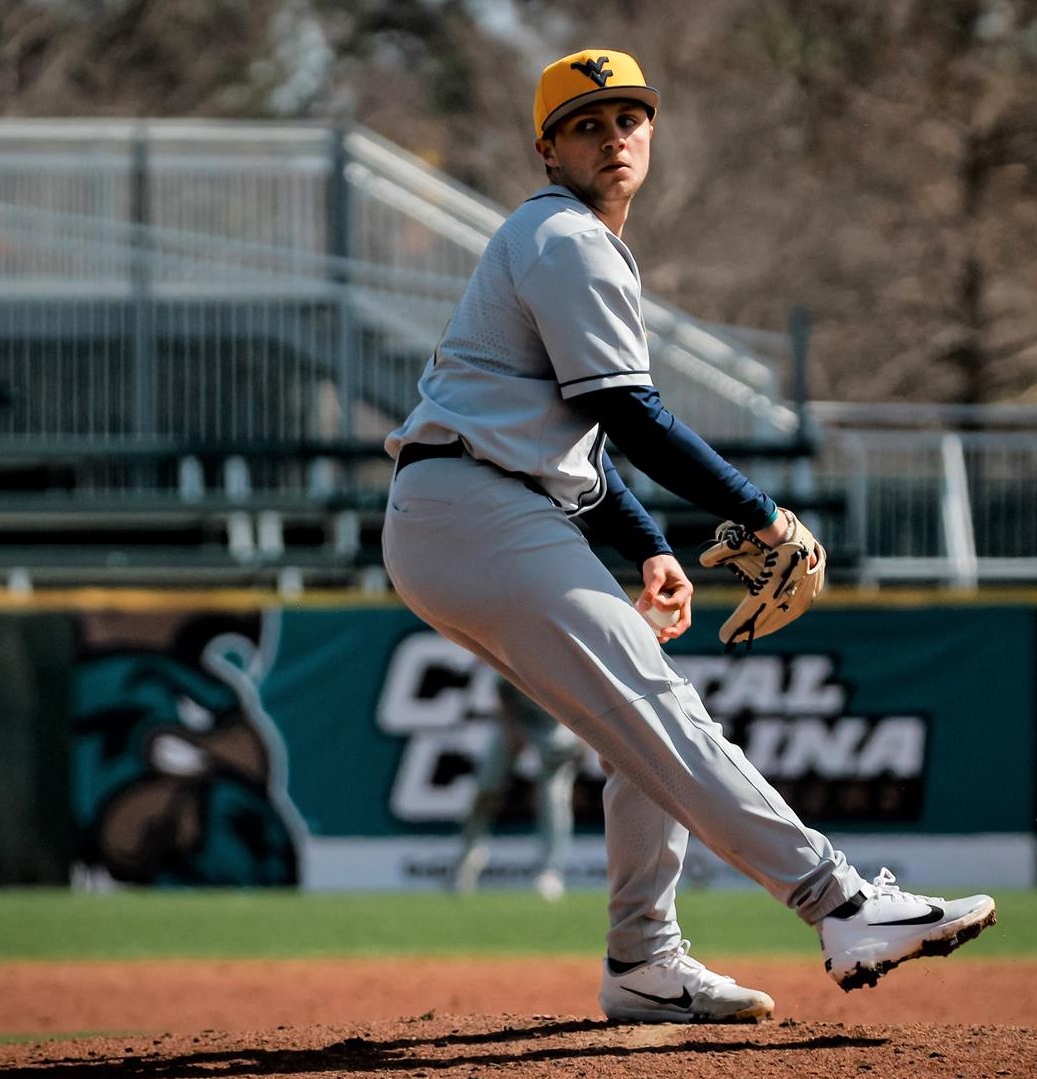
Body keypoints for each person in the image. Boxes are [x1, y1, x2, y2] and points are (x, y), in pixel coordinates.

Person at [382, 48, 996, 1024]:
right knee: (661, 710)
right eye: (587, 124)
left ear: (652, 134)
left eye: (628, 118)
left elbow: (581, 440)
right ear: (547, 147)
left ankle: (644, 959)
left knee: (642, 731)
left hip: (471, 509)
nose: (613, 137)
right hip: (476, 506)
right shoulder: (564, 238)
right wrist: (761, 514)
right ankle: (841, 903)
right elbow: (630, 412)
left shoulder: (562, 240)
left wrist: (652, 547)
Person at [450, 678, 587, 902]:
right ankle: (467, 860)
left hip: (555, 724)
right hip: (517, 717)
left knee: (554, 799)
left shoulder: (571, 653)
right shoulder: (524, 645)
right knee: (486, 787)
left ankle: (551, 871)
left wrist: (583, 734)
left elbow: (588, 696)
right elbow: (502, 687)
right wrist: (511, 728)